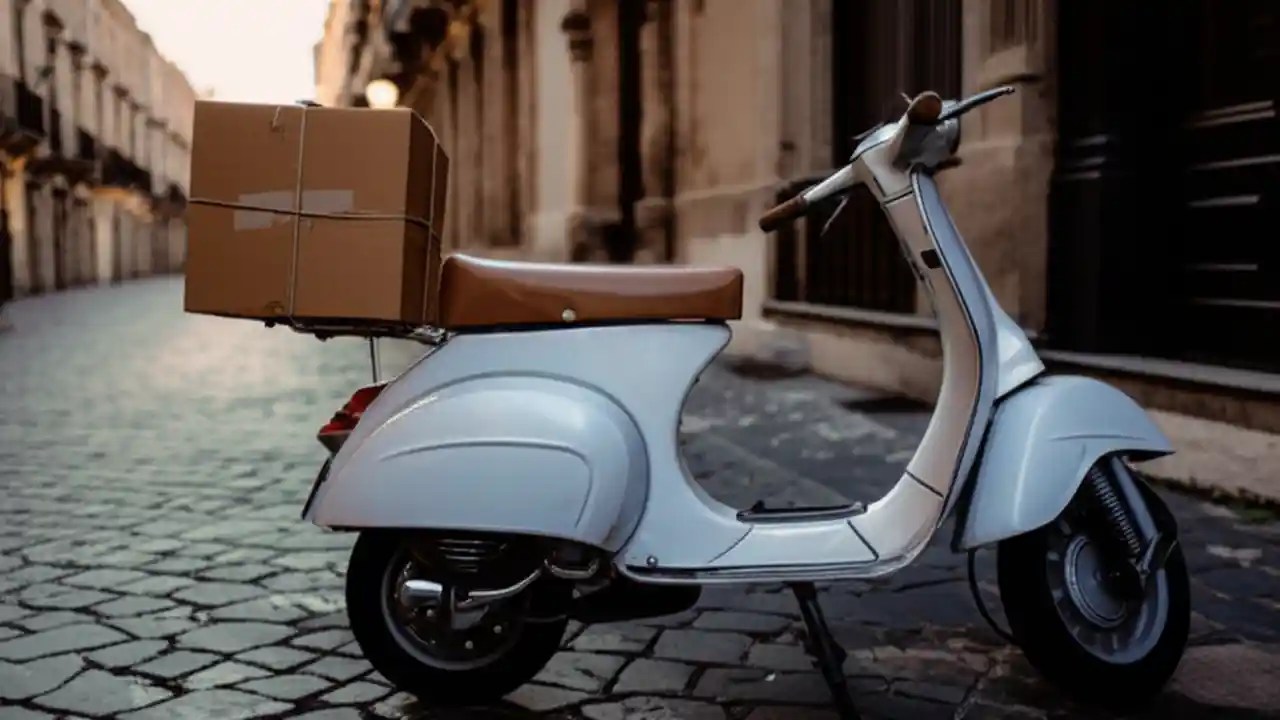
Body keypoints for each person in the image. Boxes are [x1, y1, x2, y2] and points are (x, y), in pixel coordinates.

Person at [0, 207, 13, 330]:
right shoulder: (5, 233)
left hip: (3, 268)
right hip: (3, 268)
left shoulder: (5, 233)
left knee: (2, 295)